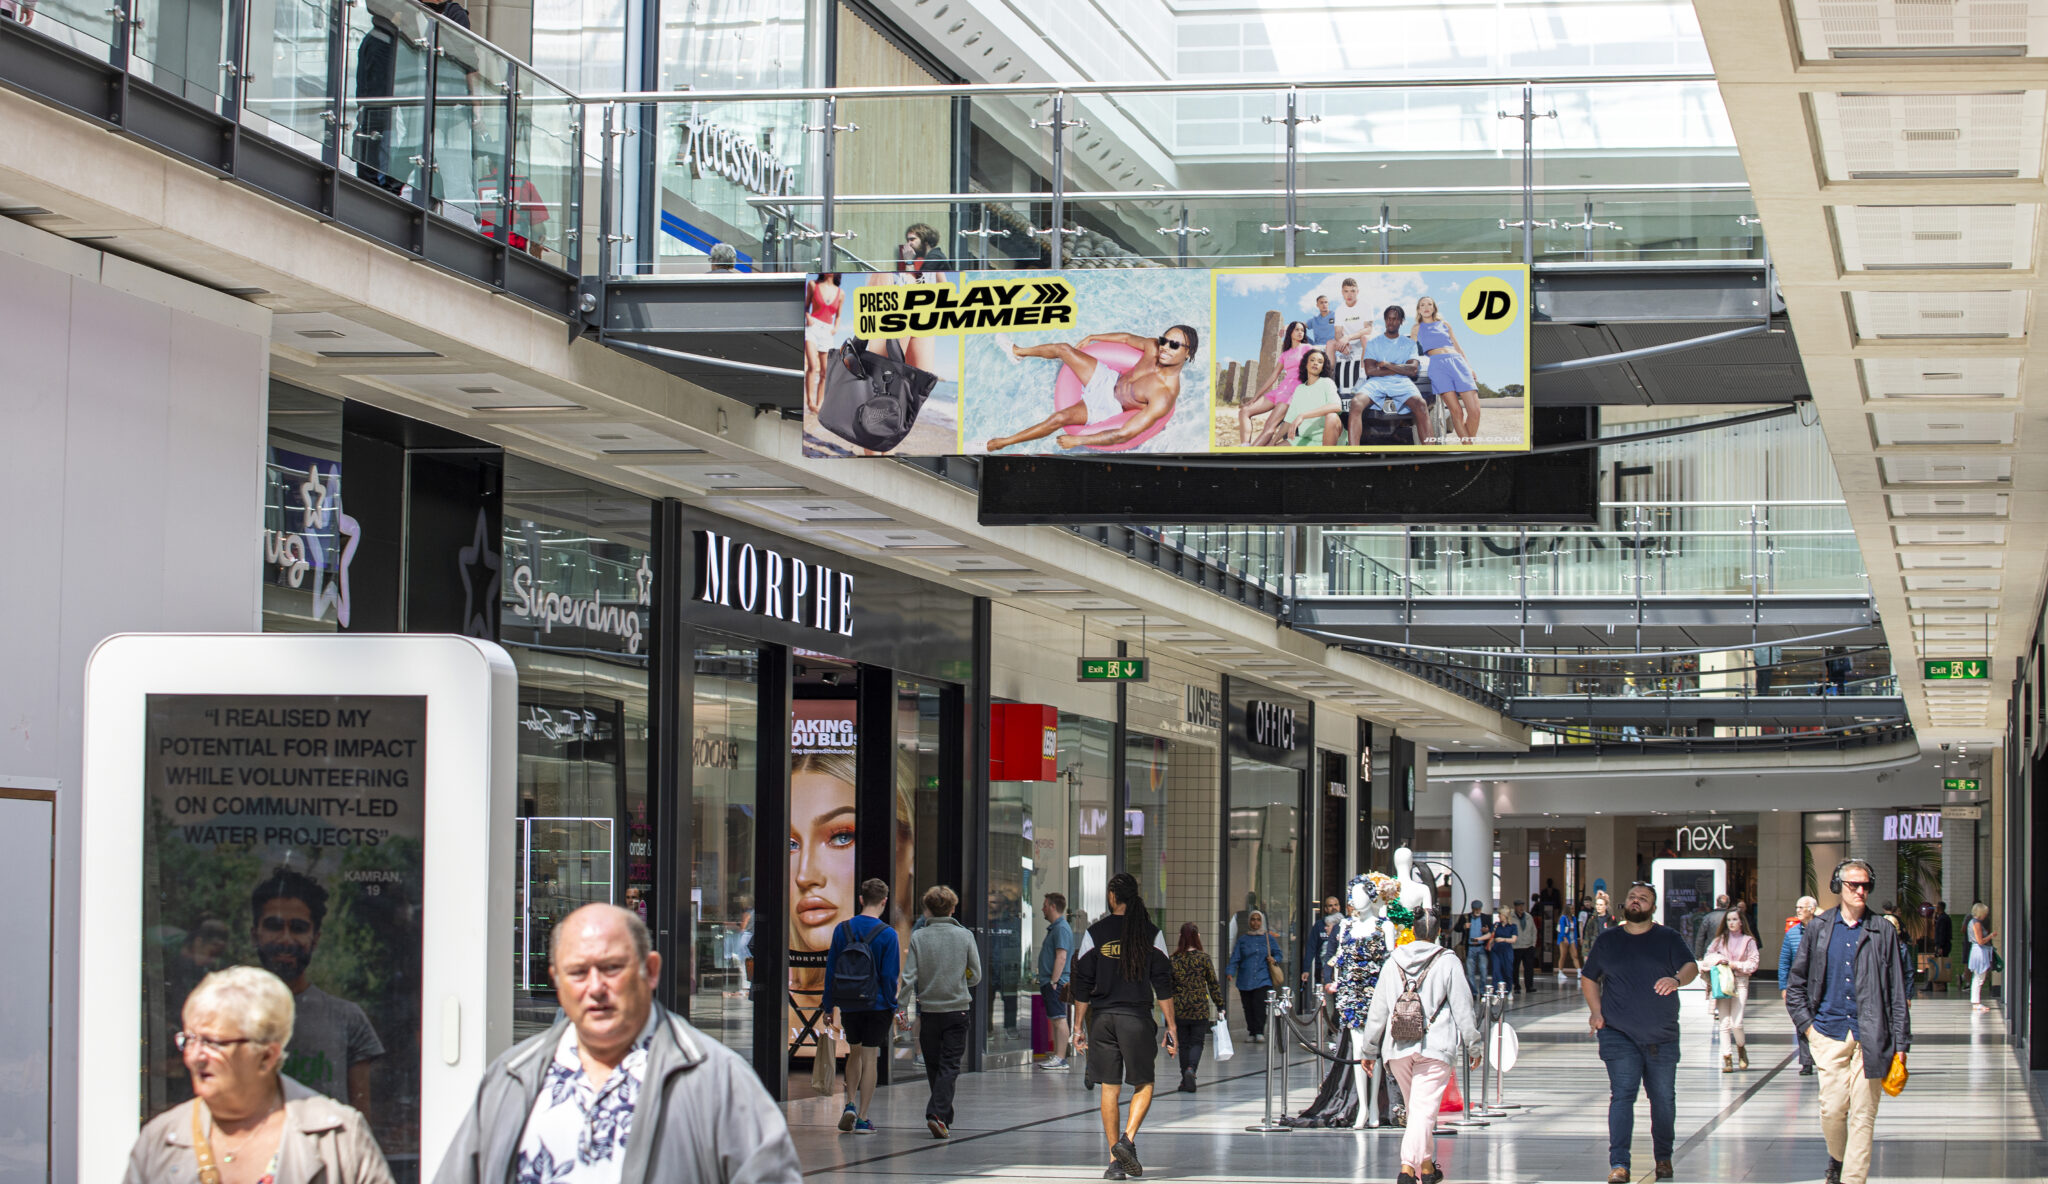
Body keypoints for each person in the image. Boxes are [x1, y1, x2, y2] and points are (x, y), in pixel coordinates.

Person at [433, 904, 799, 1184]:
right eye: (577, 972)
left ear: (651, 971)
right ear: (556, 982)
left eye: (611, 968)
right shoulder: (513, 1077)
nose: (595, 988)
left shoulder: (717, 1080)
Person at [127, 966, 392, 1184]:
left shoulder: (337, 1137)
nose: (195, 1056)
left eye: (213, 1043)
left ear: (266, 1056)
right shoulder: (160, 1141)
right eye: (190, 1039)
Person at [1784, 859, 1911, 1184]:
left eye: (1866, 885)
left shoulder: (1882, 929)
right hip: (1828, 1032)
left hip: (1872, 1034)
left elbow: (1897, 989)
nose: (1860, 890)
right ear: (1838, 886)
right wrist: (1809, 1028)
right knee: (1832, 1110)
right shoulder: (1819, 927)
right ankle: (1838, 1159)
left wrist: (1901, 1043)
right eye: (1854, 884)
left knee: (1864, 1115)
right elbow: (1797, 984)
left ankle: (1853, 1179)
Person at [1581, 880, 1699, 1184]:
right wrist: (1596, 1012)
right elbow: (1589, 978)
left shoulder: (1668, 938)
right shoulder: (1608, 940)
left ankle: (1663, 1157)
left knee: (1663, 1100)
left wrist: (1676, 980)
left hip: (1662, 1036)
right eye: (1632, 897)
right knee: (1622, 1095)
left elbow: (1691, 966)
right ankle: (1619, 1164)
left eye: (1643, 898)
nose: (1636, 901)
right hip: (1618, 1033)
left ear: (1653, 907)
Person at [1070, 872, 1178, 1181]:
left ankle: (1114, 1162)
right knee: (1144, 1083)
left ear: (1112, 897)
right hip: (1136, 1020)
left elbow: (1083, 984)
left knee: (1109, 1088)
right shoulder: (1152, 934)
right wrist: (1172, 1027)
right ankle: (1127, 1141)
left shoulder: (1095, 933)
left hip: (1103, 1020)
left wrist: (1079, 1026)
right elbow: (1163, 985)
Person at [248, 868, 383, 1114]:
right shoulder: (229, 1016)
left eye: (298, 928)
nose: (286, 939)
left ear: (315, 938)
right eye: (274, 926)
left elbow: (360, 1122)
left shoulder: (347, 1018)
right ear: (255, 935)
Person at [1359, 910, 1479, 1184]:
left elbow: (1377, 1010)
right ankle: (1406, 1169)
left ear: (1412, 932)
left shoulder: (1393, 962)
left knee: (1418, 1112)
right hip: (1435, 1048)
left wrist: (1369, 1050)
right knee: (1423, 1112)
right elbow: (1463, 1006)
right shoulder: (1448, 961)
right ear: (1438, 933)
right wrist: (1474, 1044)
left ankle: (1427, 1168)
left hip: (1397, 1047)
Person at [986, 326, 1199, 452]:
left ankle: (1001, 443)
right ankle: (1017, 352)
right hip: (1108, 379)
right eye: (1165, 340)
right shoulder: (1153, 347)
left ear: (1188, 354)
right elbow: (1125, 338)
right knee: (1063, 349)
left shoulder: (1164, 395)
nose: (1165, 347)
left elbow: (1124, 433)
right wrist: (1094, 337)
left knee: (1058, 419)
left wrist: (1079, 440)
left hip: (1109, 406)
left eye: (1174, 345)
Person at [900, 885, 981, 1139]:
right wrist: (959, 981)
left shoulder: (919, 937)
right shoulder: (965, 936)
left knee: (934, 1065)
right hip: (957, 1010)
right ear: (953, 908)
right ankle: (938, 1113)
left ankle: (941, 1113)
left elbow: (909, 976)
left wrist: (901, 1007)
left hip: (929, 1012)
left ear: (927, 909)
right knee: (950, 1065)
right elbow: (975, 975)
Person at [824, 878, 901, 1135]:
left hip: (849, 1003)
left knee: (854, 1053)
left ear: (860, 899)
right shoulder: (888, 934)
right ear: (884, 902)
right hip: (877, 1004)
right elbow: (890, 977)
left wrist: (828, 1006)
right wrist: (893, 1006)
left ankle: (849, 1103)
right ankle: (863, 1118)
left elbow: (832, 970)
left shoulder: (842, 930)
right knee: (870, 1058)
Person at [1344, 304, 1434, 446]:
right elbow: (1370, 371)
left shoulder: (1410, 344)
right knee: (1356, 403)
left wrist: (1386, 364)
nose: (1391, 322)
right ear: (1385, 320)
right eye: (1388, 319)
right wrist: (1399, 368)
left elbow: (1413, 370)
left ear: (1401, 321)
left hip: (1402, 382)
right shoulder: (1374, 343)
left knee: (1421, 404)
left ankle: (1430, 451)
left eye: (1395, 319)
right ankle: (1354, 450)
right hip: (1377, 382)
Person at [1413, 295, 1481, 443]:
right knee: (1456, 412)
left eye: (1429, 304)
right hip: (1437, 367)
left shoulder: (1445, 324)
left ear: (1434, 307)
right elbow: (1409, 350)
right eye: (1422, 305)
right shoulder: (1417, 328)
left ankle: (1469, 443)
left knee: (1475, 411)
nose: (1426, 307)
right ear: (1418, 309)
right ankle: (1469, 447)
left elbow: (1457, 347)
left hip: (1457, 362)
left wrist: (1469, 367)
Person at [1169, 922, 1225, 1094]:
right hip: (1199, 1007)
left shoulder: (1174, 959)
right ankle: (1191, 1071)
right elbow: (1213, 984)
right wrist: (1220, 1005)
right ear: (1196, 937)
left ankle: (1184, 1079)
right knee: (1197, 1043)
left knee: (1184, 1044)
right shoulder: (1204, 958)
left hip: (1180, 1008)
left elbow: (1168, 987)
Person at [1701, 910, 1760, 1072]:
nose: (1731, 923)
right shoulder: (1720, 940)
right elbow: (1708, 957)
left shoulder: (1748, 941)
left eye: (1735, 919)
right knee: (1724, 1022)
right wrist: (1719, 961)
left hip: (1740, 982)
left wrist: (1735, 965)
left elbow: (1753, 963)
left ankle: (1741, 1048)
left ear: (1741, 922)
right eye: (1729, 920)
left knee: (1737, 1022)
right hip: (1722, 982)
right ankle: (1727, 1058)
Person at [1237, 320, 1313, 444]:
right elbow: (1273, 377)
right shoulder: (1285, 354)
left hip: (1292, 393)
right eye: (1297, 330)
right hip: (1279, 390)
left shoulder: (1307, 348)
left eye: (1302, 330)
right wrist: (1256, 397)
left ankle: (1249, 456)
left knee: (1269, 426)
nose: (1300, 332)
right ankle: (1245, 446)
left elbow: (1318, 363)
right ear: (1290, 333)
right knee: (1244, 411)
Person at [1258, 349, 1344, 447]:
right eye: (1312, 360)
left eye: (1320, 362)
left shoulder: (1327, 383)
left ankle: (1327, 458)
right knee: (1274, 451)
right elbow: (1289, 421)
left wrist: (1303, 415)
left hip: (1331, 440)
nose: (1316, 363)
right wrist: (1273, 442)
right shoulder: (1299, 389)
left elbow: (1337, 406)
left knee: (1332, 416)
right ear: (1306, 364)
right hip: (1306, 439)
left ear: (1322, 367)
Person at [1225, 910, 1282, 1043]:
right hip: (1245, 977)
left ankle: (1259, 1031)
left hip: (1263, 978)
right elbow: (1235, 957)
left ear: (1262, 922)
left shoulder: (1268, 938)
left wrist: (1274, 959)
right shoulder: (1243, 939)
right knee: (1248, 1006)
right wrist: (1230, 971)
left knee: (1259, 1005)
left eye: (1258, 920)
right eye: (1253, 919)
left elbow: (1278, 953)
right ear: (1249, 922)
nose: (1255, 922)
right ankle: (1251, 1030)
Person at [1780, 896, 1818, 1074]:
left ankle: (1821, 1056)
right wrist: (1784, 986)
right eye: (1797, 907)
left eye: (1802, 907)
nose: (1798, 910)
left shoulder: (1823, 930)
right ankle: (1806, 1061)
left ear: (1812, 909)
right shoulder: (1792, 933)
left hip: (1819, 983)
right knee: (1801, 1020)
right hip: (1799, 985)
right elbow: (1784, 961)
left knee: (1819, 1020)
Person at [1039, 892, 1077, 1070]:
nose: (1043, 909)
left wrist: (1054, 981)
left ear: (1053, 907)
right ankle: (1058, 1055)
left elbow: (1061, 956)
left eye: (1045, 905)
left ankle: (1061, 1058)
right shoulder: (1056, 928)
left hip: (1056, 981)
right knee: (1055, 1018)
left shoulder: (1061, 928)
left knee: (1059, 1018)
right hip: (1052, 981)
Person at [803, 273, 844, 415]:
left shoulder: (841, 293)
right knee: (813, 366)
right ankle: (809, 402)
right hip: (813, 327)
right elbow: (805, 306)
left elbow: (838, 315)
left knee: (825, 372)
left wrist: (836, 328)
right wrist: (808, 317)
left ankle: (819, 405)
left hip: (827, 331)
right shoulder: (813, 285)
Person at [1966, 902, 1996, 1011]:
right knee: (1979, 977)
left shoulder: (1971, 922)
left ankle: (1976, 1002)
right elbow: (1980, 941)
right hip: (1979, 951)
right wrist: (1991, 936)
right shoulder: (1976, 923)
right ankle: (1976, 1002)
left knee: (1977, 977)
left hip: (1976, 950)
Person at [1460, 901, 1493, 990]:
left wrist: (1486, 930)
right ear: (1472, 909)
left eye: (1479, 909)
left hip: (1481, 946)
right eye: (1476, 910)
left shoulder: (1485, 918)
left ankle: (1482, 990)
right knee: (1470, 971)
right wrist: (1464, 926)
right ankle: (1473, 991)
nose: (1477, 911)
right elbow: (1456, 928)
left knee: (1483, 970)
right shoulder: (1466, 917)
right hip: (1470, 947)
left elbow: (1491, 931)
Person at [1510, 900, 1538, 992]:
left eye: (1522, 906)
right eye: (1519, 906)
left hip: (1528, 946)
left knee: (1529, 967)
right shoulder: (1511, 917)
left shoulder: (1529, 917)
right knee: (1515, 968)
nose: (1521, 908)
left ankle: (1529, 986)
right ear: (1515, 907)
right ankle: (1516, 985)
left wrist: (1533, 944)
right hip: (1516, 946)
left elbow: (1534, 931)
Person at [1488, 910, 1518, 992]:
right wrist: (1479, 939)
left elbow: (1514, 939)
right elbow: (1490, 935)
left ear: (1505, 915)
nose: (1499, 916)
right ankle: (1496, 990)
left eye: (1500, 914)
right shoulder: (1496, 925)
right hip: (1496, 951)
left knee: (1508, 971)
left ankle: (1508, 990)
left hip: (1507, 951)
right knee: (1496, 970)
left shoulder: (1513, 926)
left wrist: (1503, 939)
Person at [1930, 901, 1953, 993]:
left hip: (1943, 945)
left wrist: (1939, 946)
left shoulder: (1943, 919)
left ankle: (1939, 984)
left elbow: (1941, 933)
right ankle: (1939, 984)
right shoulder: (1943, 918)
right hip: (1945, 944)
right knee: (1941, 964)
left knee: (1940, 964)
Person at [1557, 902, 1583, 979]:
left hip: (1572, 938)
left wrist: (1576, 939)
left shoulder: (1574, 918)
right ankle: (1560, 972)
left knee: (1575, 955)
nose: (1573, 910)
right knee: (1563, 955)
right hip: (1564, 938)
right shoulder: (1563, 918)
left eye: (1573, 909)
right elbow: (1562, 929)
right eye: (1571, 909)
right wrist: (1564, 938)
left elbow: (1575, 929)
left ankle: (1579, 972)